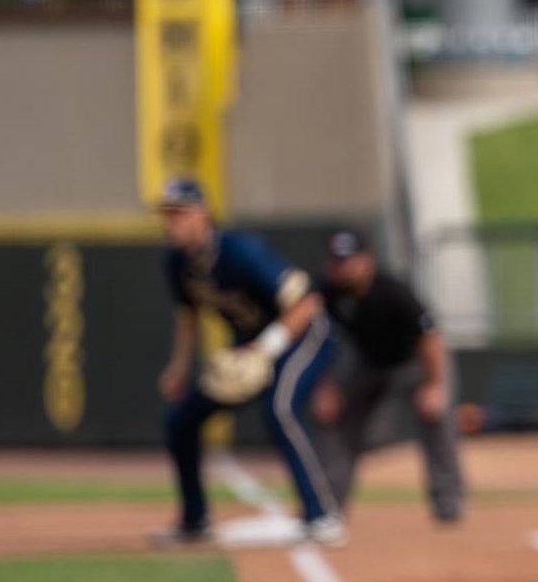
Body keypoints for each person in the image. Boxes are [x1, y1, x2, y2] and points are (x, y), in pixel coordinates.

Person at [153, 177, 345, 546]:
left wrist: (265, 348)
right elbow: (189, 315)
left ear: (201, 214)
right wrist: (178, 367)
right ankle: (195, 520)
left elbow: (307, 303)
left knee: (280, 409)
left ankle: (323, 514)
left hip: (305, 335)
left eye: (177, 213)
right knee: (181, 420)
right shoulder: (176, 262)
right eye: (166, 214)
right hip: (252, 346)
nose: (169, 222)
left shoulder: (240, 251)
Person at [312, 229, 465, 524]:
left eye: (350, 260)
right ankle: (329, 503)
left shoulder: (392, 291)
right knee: (334, 419)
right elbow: (319, 343)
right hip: (369, 364)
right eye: (337, 261)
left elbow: (431, 338)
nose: (343, 268)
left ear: (367, 260)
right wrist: (326, 387)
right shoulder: (328, 294)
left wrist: (434, 386)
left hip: (414, 363)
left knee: (437, 416)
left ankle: (448, 499)